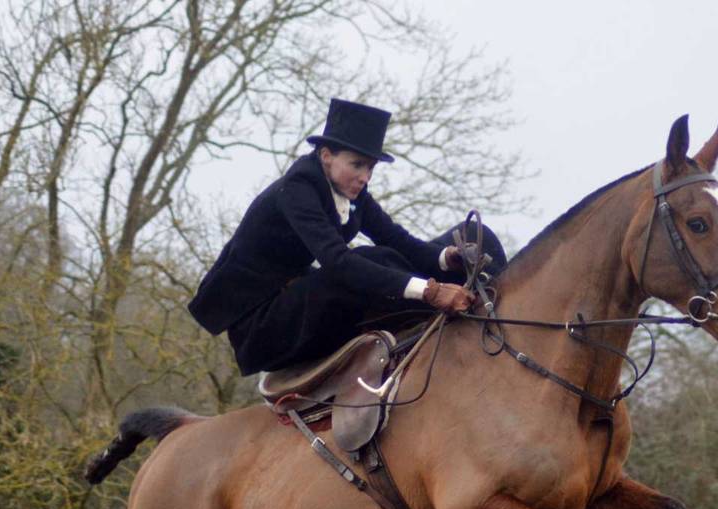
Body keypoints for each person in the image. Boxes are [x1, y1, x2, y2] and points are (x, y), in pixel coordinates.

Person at [188, 98, 507, 376]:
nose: (364, 177)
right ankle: (442, 315)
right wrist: (430, 291)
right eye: (357, 165)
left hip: (300, 299)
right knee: (373, 262)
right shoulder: (297, 189)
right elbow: (339, 262)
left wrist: (447, 258)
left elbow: (397, 239)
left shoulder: (352, 191)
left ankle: (484, 305)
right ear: (326, 155)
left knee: (476, 238)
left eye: (370, 168)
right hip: (264, 328)